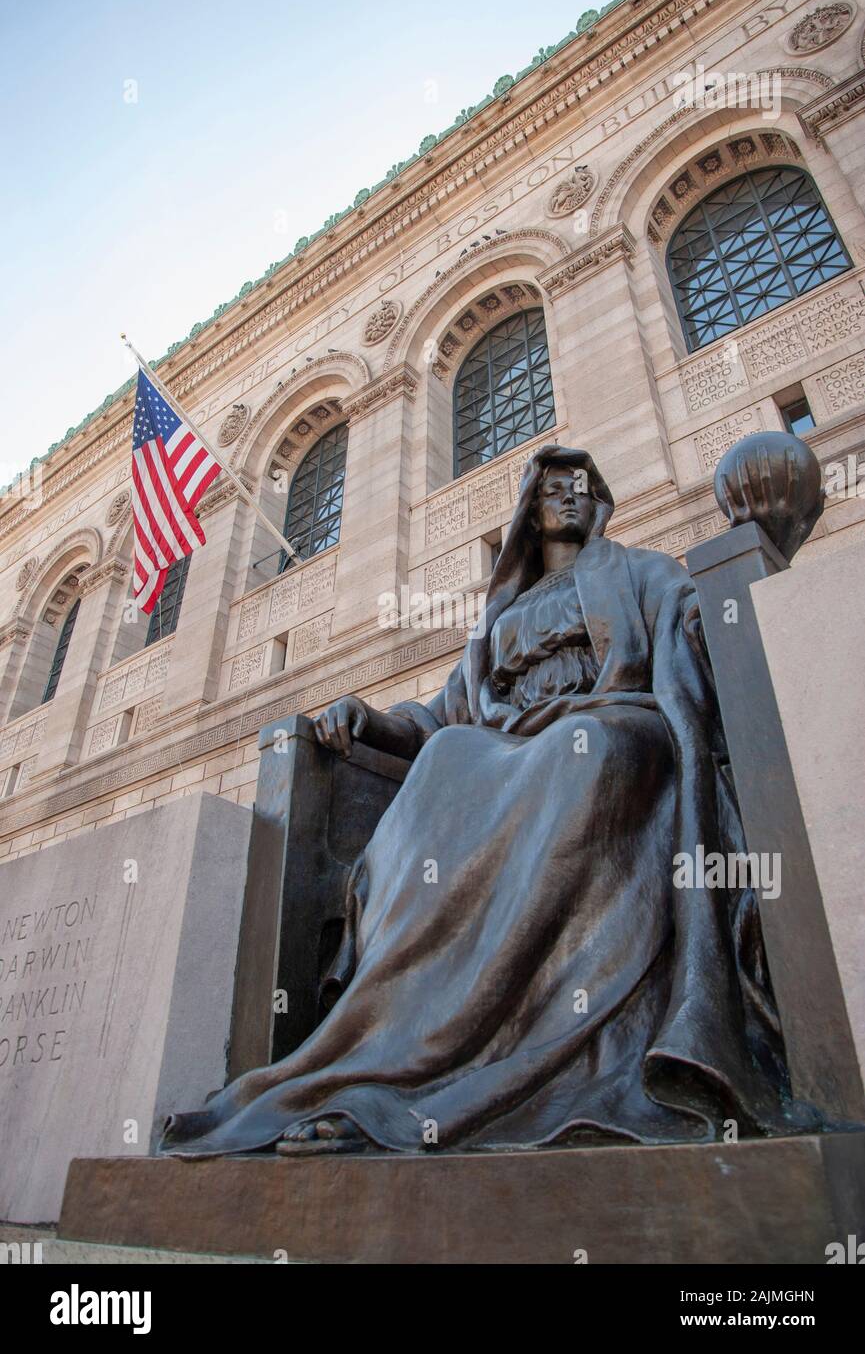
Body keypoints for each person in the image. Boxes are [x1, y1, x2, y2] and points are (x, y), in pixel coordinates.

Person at [161, 443, 794, 1158]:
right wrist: (368, 718)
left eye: (582, 488)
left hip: (616, 724)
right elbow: (442, 715)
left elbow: (698, 632)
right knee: (448, 758)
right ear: (528, 509)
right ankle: (395, 1046)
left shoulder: (640, 570)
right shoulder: (498, 620)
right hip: (511, 747)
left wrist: (765, 541)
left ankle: (496, 1054)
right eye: (554, 487)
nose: (569, 497)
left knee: (585, 749)